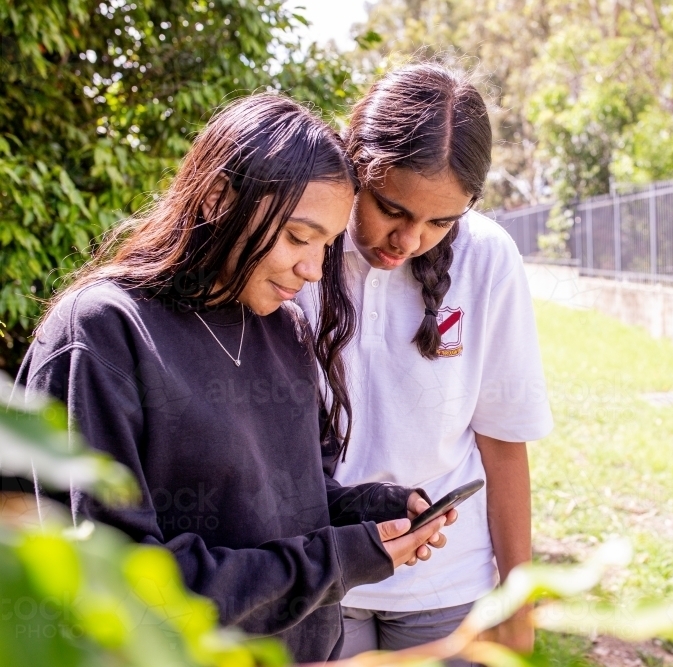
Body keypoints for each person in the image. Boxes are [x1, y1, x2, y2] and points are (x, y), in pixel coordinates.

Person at [15, 94, 455, 663]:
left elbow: (296, 496)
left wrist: (375, 510)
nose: (312, 269)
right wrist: (337, 560)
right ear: (221, 198)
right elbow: (119, 581)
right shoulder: (107, 331)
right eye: (298, 238)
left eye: (326, 245)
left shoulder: (284, 329)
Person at [297, 63, 553, 656]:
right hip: (320, 572)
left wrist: (518, 601)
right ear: (356, 163)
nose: (409, 241)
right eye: (392, 209)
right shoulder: (299, 246)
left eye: (441, 222)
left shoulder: (488, 257)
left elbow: (503, 439)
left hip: (447, 585)